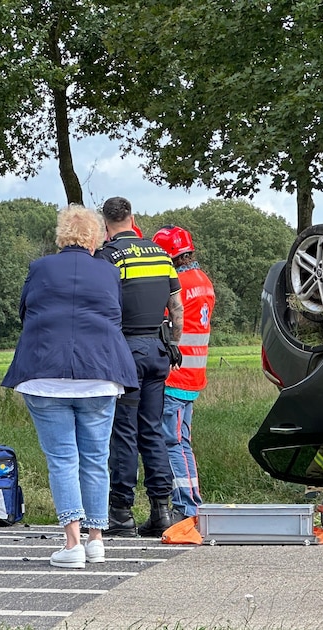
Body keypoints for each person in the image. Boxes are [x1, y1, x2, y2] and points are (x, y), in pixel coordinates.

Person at [3, 205, 139, 568]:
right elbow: (116, 316)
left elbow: (24, 311)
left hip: (45, 372)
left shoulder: (40, 268)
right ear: (96, 237)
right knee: (96, 459)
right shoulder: (110, 272)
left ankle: (72, 543)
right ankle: (96, 541)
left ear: (62, 236)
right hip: (100, 373)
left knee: (63, 459)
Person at [95, 197, 184, 537]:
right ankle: (162, 510)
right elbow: (176, 306)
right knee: (152, 430)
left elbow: (102, 308)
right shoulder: (161, 255)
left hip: (124, 352)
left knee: (124, 433)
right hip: (159, 350)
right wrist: (174, 343)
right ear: (132, 218)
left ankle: (121, 512)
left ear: (106, 223)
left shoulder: (107, 257)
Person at [152, 225, 216, 520]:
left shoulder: (176, 283)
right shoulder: (203, 280)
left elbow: (162, 324)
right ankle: (190, 503)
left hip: (175, 375)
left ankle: (188, 506)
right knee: (182, 441)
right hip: (193, 374)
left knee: (174, 443)